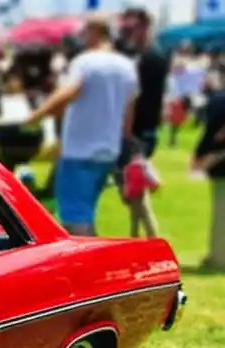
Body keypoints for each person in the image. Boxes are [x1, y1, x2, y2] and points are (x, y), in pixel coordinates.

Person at [25, 15, 137, 236]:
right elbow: (128, 118)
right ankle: (98, 263)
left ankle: (86, 267)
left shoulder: (86, 62)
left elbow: (69, 91)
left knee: (74, 218)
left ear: (94, 32)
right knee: (86, 212)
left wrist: (35, 117)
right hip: (108, 151)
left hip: (80, 150)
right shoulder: (128, 67)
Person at [117, 8, 168, 237]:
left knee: (134, 188)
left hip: (137, 130)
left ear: (144, 27)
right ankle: (138, 236)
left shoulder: (148, 57)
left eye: (130, 28)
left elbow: (134, 97)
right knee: (133, 187)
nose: (126, 33)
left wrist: (126, 128)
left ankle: (149, 238)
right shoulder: (153, 54)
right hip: (143, 129)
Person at [194, 86, 225, 271]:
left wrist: (200, 153)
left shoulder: (220, 100)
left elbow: (211, 131)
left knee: (221, 213)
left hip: (221, 163)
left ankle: (219, 256)